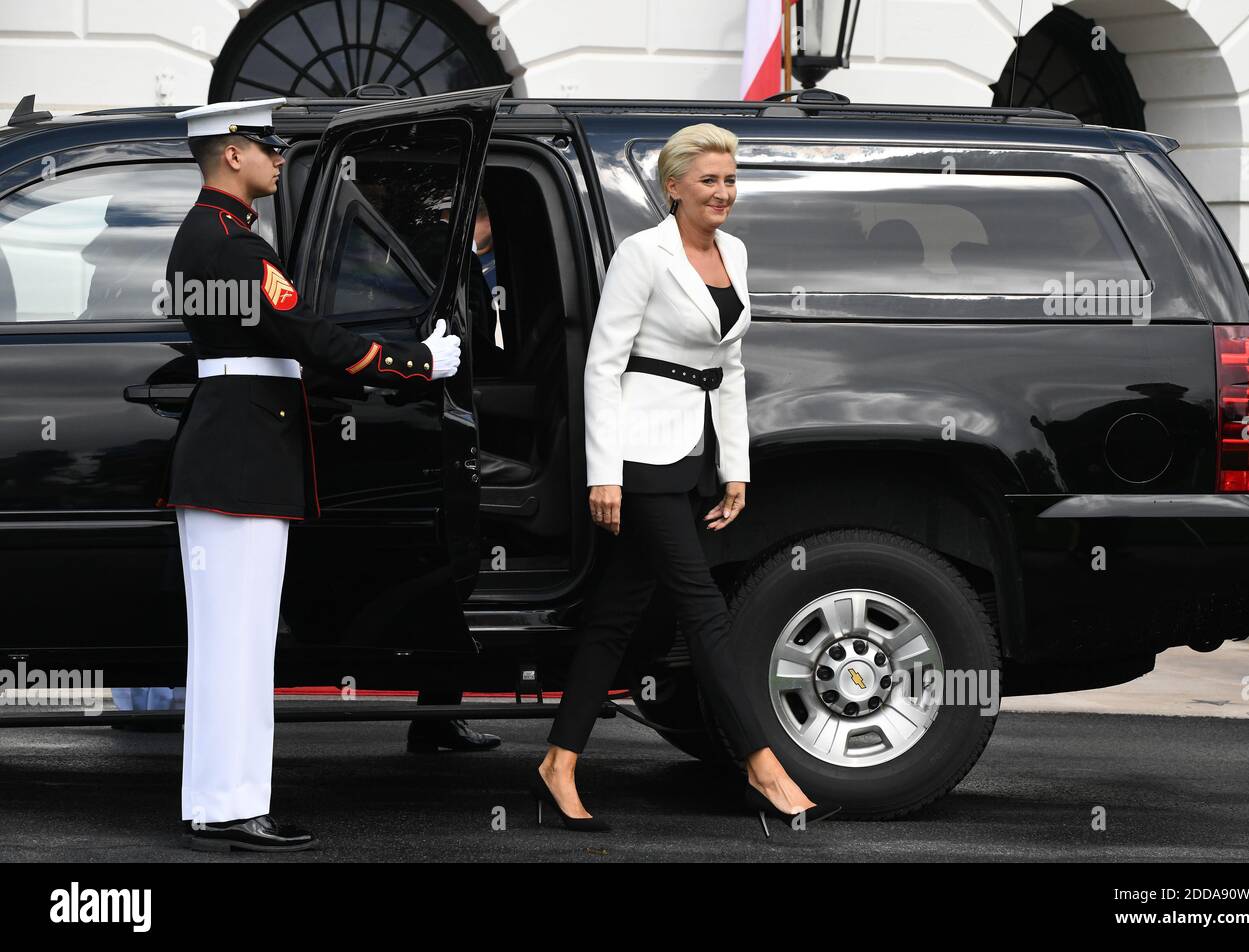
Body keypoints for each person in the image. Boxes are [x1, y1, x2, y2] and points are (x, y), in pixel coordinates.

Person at [158, 97, 461, 851]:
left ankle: (216, 801)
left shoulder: (211, 236)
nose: (278, 157)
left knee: (228, 643)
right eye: (267, 146)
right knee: (239, 642)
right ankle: (229, 808)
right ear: (232, 152)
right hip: (242, 461)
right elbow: (305, 333)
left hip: (232, 453)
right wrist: (414, 363)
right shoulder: (231, 248)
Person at [531, 123, 839, 836]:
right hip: (640, 454)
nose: (724, 192)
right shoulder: (642, 255)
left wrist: (736, 465)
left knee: (613, 617)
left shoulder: (734, 251)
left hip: (693, 451)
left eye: (730, 180)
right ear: (674, 187)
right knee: (703, 607)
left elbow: (727, 366)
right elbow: (603, 364)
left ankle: (558, 761)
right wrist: (602, 474)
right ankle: (763, 766)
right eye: (709, 180)